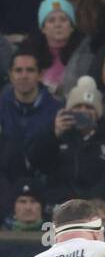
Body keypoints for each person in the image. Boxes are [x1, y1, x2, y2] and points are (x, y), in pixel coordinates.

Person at [27, 75, 105, 204]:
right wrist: (54, 135)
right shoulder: (58, 134)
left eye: (89, 107)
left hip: (95, 207)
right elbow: (36, 162)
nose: (83, 111)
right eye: (78, 107)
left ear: (98, 113)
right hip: (59, 204)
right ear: (69, 110)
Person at [1, 50, 61, 182]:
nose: (24, 76)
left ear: (40, 75)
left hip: (46, 180)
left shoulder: (57, 110)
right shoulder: (1, 107)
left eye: (30, 70)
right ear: (10, 75)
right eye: (18, 70)